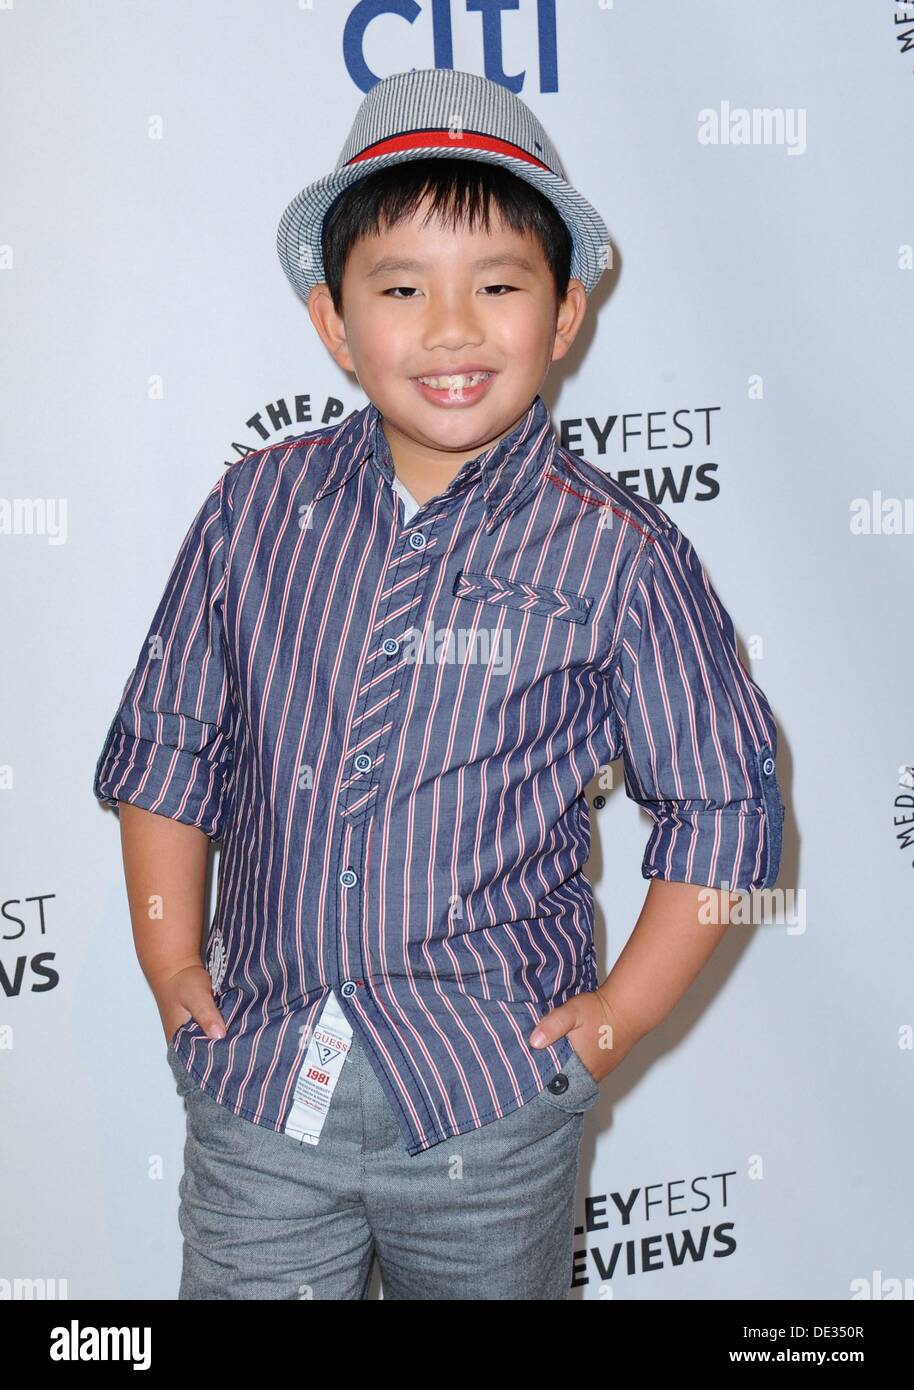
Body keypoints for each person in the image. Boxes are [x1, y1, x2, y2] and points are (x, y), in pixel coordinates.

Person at [93, 67, 785, 1301]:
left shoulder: (616, 553)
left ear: (563, 315)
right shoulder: (258, 509)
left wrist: (615, 1020)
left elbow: (727, 808)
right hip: (260, 1092)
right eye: (402, 288)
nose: (451, 327)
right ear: (333, 323)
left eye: (498, 286)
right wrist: (167, 963)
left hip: (490, 1106)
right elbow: (169, 741)